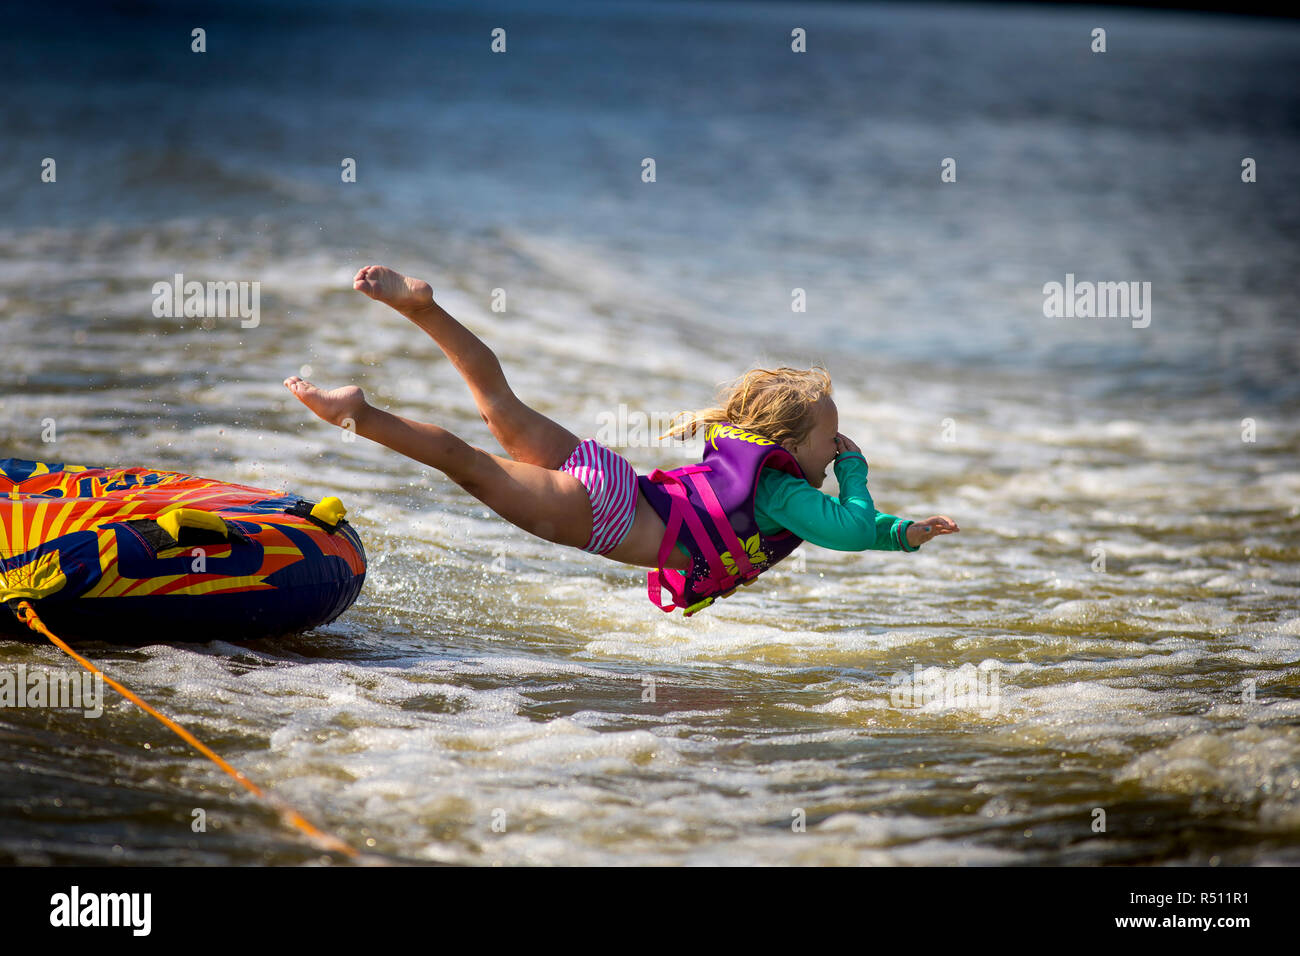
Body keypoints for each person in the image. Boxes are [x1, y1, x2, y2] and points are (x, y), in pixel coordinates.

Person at [284, 265, 958, 615]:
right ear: (787, 441)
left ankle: (423, 308)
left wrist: (905, 533)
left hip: (612, 477)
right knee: (470, 466)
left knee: (500, 408)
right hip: (601, 516)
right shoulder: (782, 489)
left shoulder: (765, 472)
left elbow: (861, 530)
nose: (839, 448)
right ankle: (360, 414)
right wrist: (860, 478)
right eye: (833, 439)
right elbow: (846, 528)